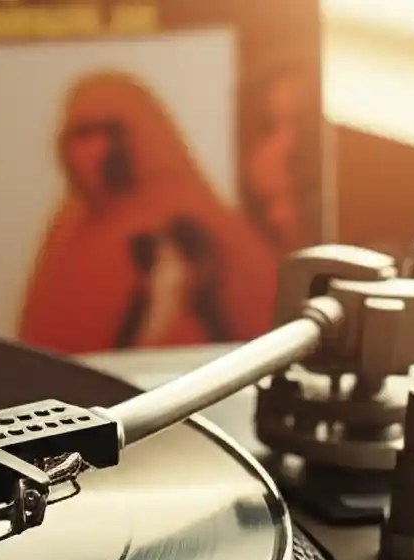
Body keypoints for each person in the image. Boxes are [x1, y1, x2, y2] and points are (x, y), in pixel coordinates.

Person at [18, 72, 279, 353]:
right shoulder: (67, 232)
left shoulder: (189, 219)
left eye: (107, 132)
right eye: (81, 134)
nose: (90, 151)